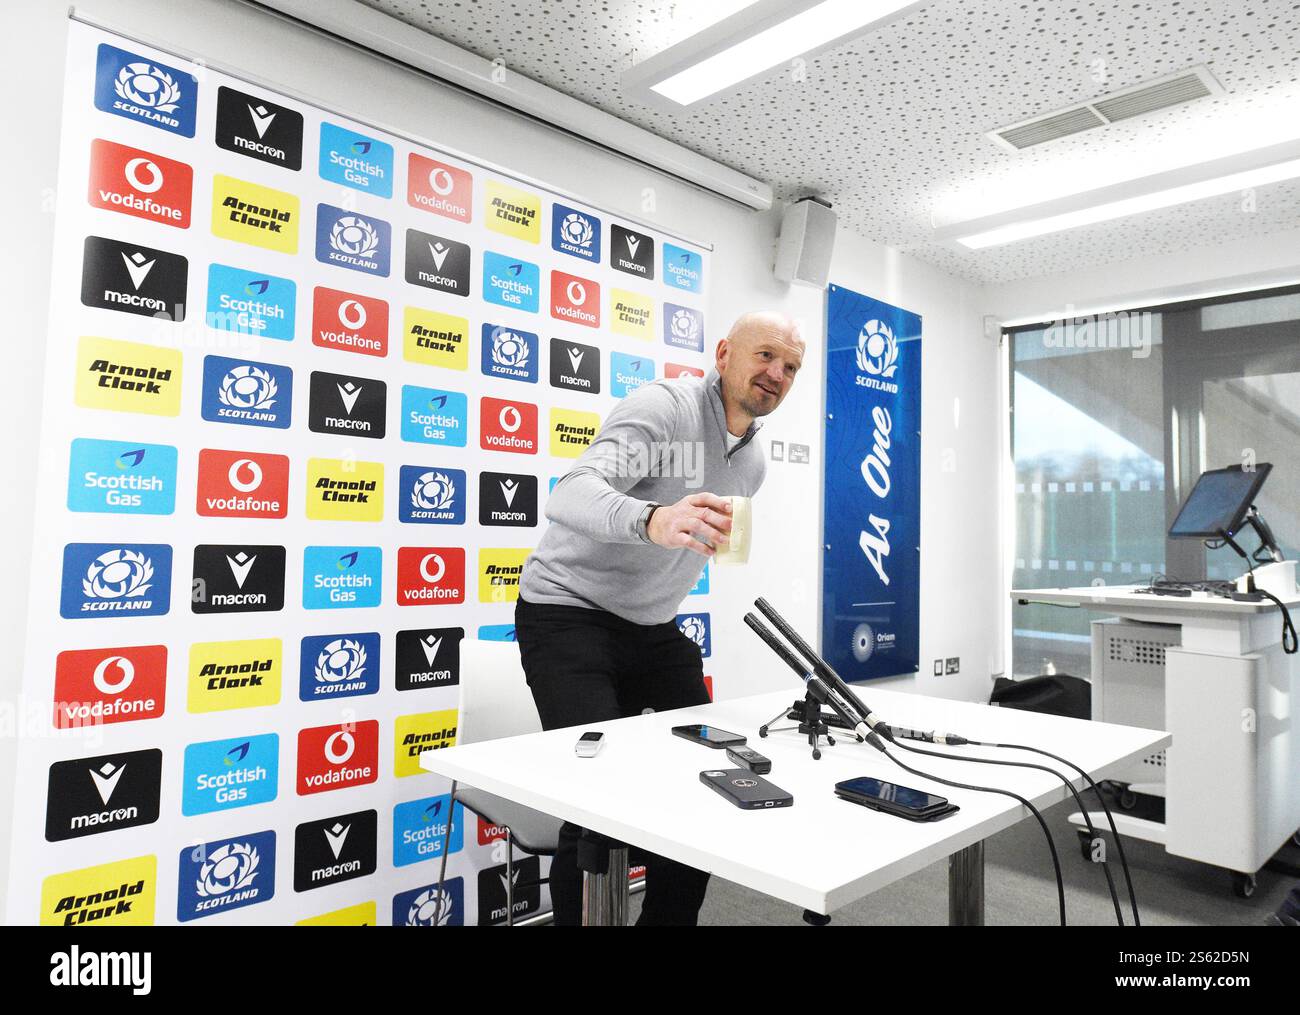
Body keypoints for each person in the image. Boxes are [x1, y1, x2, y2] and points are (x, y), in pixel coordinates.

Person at [515, 310, 805, 925]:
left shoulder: (753, 463)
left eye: (790, 367)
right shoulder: (665, 407)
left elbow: (698, 541)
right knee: (595, 794)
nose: (776, 374)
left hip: (650, 629)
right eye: (765, 357)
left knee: (712, 779)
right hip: (567, 612)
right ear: (724, 354)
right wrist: (653, 519)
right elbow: (568, 492)